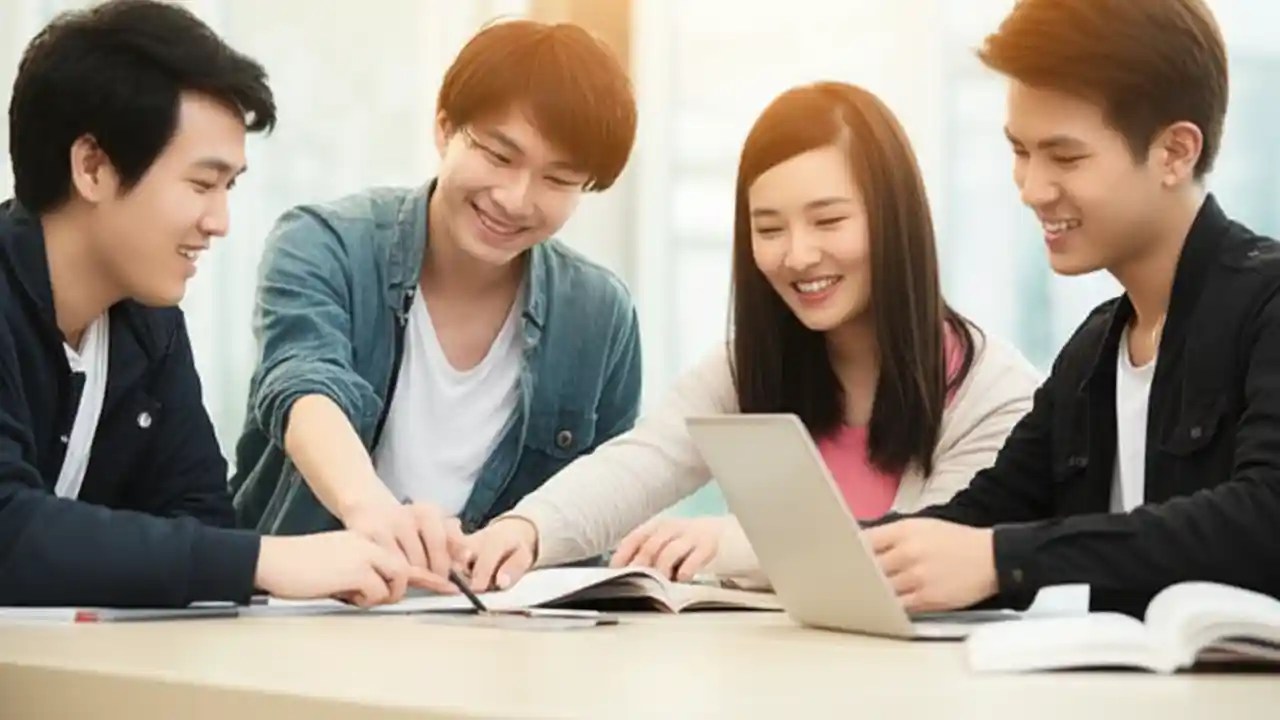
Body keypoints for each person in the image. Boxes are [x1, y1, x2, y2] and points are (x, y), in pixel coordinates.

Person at [461, 81, 1041, 592]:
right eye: (769, 228)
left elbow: (927, 556)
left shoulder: (993, 391)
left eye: (829, 220)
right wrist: (527, 529)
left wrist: (731, 544)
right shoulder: (747, 368)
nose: (798, 255)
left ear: (894, 217)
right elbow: (643, 462)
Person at [857, 0, 1280, 616]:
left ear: (1175, 152)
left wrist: (1002, 558)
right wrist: (815, 553)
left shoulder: (1267, 306)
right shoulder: (1093, 351)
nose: (1032, 189)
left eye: (1065, 157)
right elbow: (980, 519)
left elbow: (1265, 517)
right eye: (1020, 152)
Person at [0, 0, 420, 608]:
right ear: (92, 167)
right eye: (201, 184)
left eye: (228, 188)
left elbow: (199, 516)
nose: (219, 222)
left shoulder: (148, 324)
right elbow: (9, 532)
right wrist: (266, 560)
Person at [230, 19, 641, 586]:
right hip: (307, 608)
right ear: (445, 128)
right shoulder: (325, 245)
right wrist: (372, 511)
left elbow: (605, 497)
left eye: (558, 180)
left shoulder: (600, 315)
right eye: (499, 156)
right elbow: (302, 385)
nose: (515, 199)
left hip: (502, 626)